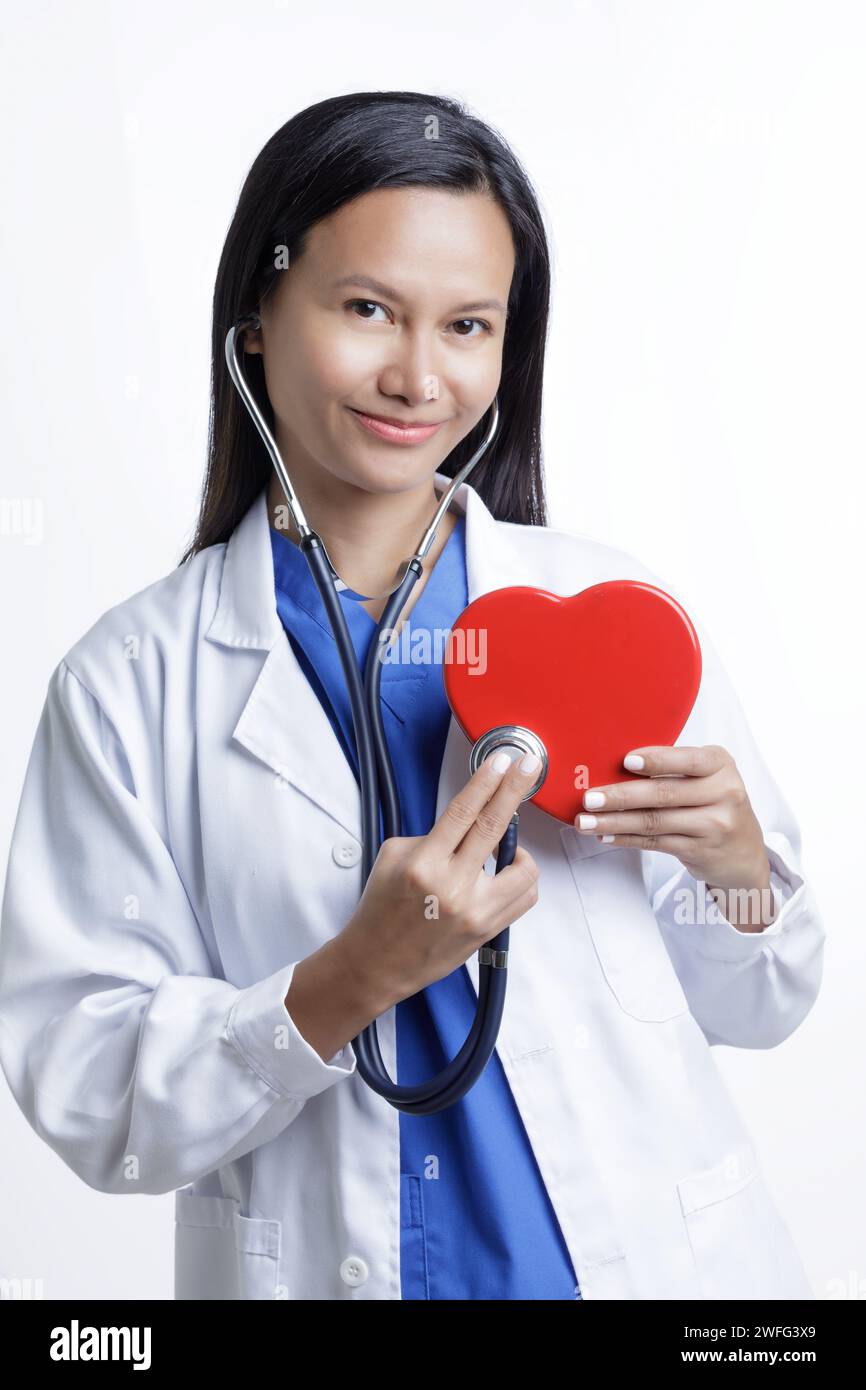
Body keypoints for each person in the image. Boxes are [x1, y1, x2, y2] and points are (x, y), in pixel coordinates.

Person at [0, 91, 825, 1301]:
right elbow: (86, 1087)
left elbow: (761, 1002)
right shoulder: (130, 682)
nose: (418, 375)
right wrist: (349, 978)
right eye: (367, 309)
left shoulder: (609, 616)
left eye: (468, 325)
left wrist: (738, 870)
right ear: (256, 324)